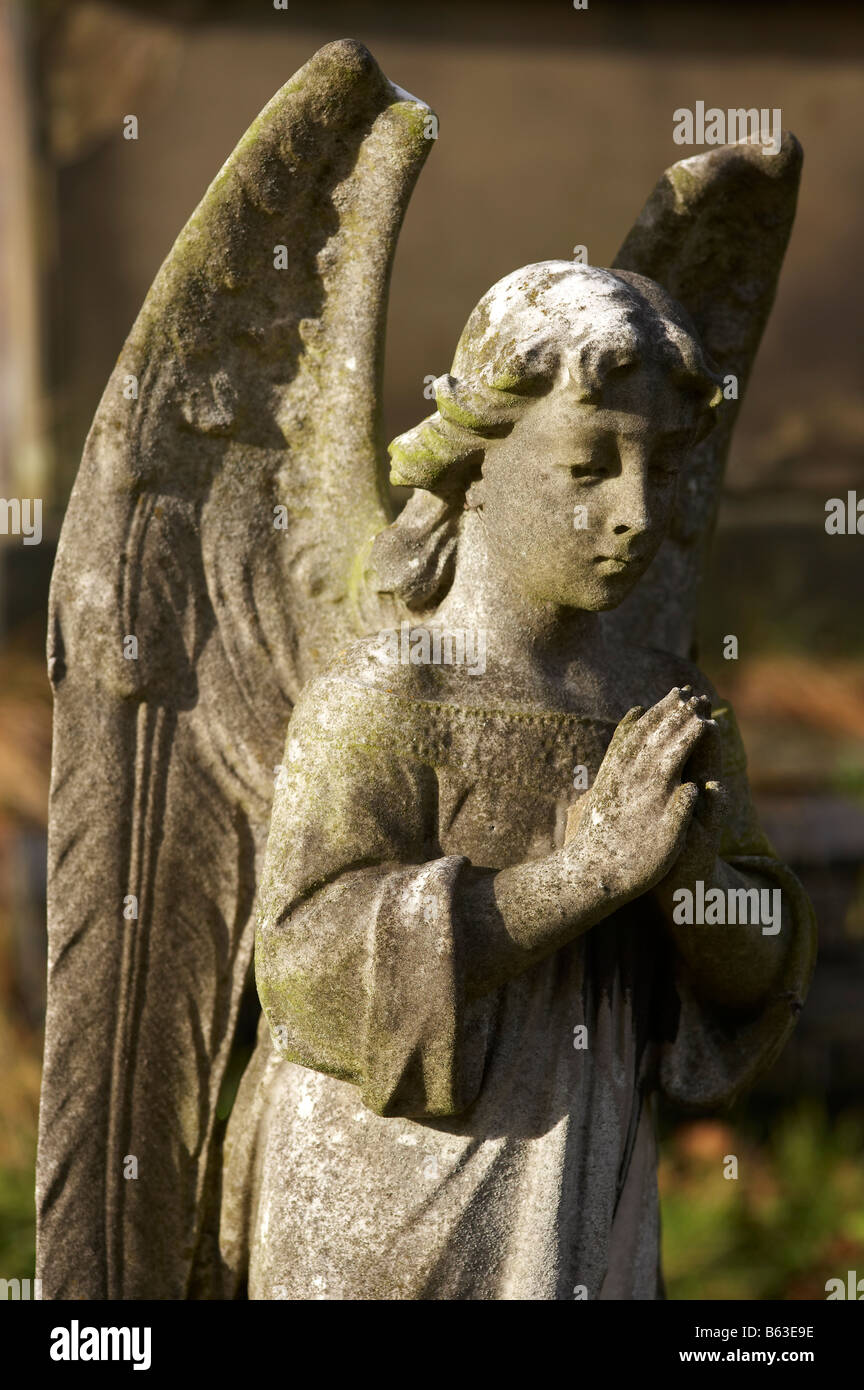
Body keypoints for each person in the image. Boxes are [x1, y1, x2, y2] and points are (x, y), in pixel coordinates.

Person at [220, 262, 815, 1300]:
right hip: (384, 1199)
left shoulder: (671, 706)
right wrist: (583, 877)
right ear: (477, 464)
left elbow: (758, 975)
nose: (637, 510)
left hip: (582, 1200)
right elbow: (306, 968)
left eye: (660, 467)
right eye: (590, 466)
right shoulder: (388, 695)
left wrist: (681, 877)